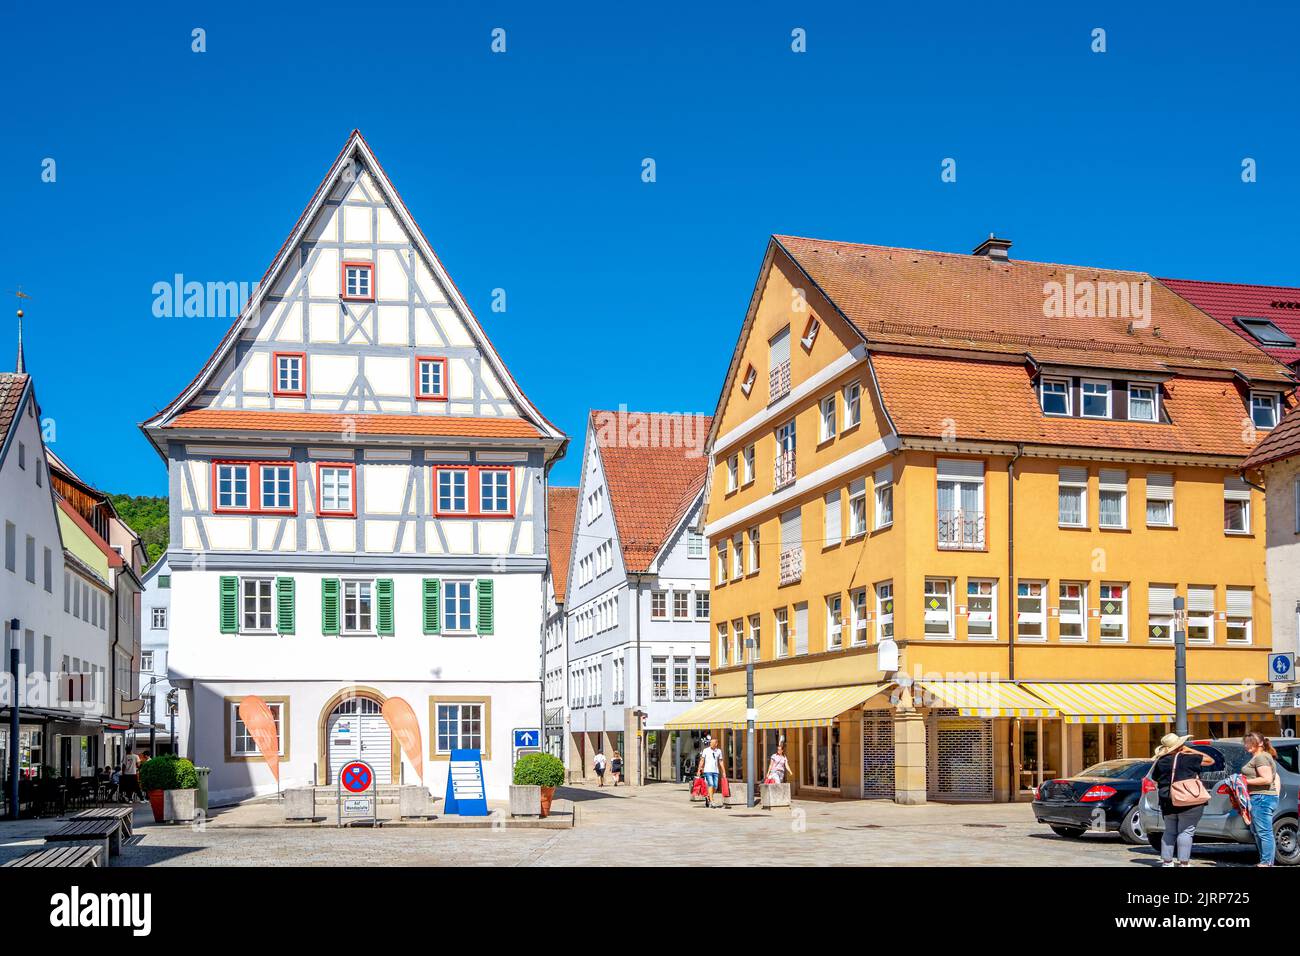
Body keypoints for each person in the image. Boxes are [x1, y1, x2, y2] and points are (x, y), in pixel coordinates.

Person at [1150, 732, 1214, 867]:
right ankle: (1184, 863)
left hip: (1167, 800)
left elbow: (1155, 778)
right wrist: (1190, 750)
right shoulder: (1189, 758)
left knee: (1169, 831)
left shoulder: (1161, 761)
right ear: (1180, 745)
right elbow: (1210, 760)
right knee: (1186, 831)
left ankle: (1167, 862)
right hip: (1190, 800)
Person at [1242, 732, 1280, 867]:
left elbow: (1267, 779)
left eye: (1250, 742)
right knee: (1258, 832)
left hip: (1261, 797)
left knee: (1264, 832)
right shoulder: (1261, 757)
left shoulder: (1261, 758)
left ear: (1260, 743)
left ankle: (1266, 863)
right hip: (1261, 797)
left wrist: (1243, 781)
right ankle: (1265, 861)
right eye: (1245, 742)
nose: (1246, 745)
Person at [697, 736, 726, 808]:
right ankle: (712, 801)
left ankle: (708, 797)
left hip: (716, 771)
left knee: (715, 786)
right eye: (710, 742)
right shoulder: (705, 750)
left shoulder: (719, 751)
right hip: (707, 770)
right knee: (711, 784)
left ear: (716, 743)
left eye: (713, 743)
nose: (711, 744)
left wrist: (724, 771)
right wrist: (699, 770)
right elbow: (702, 760)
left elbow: (721, 761)